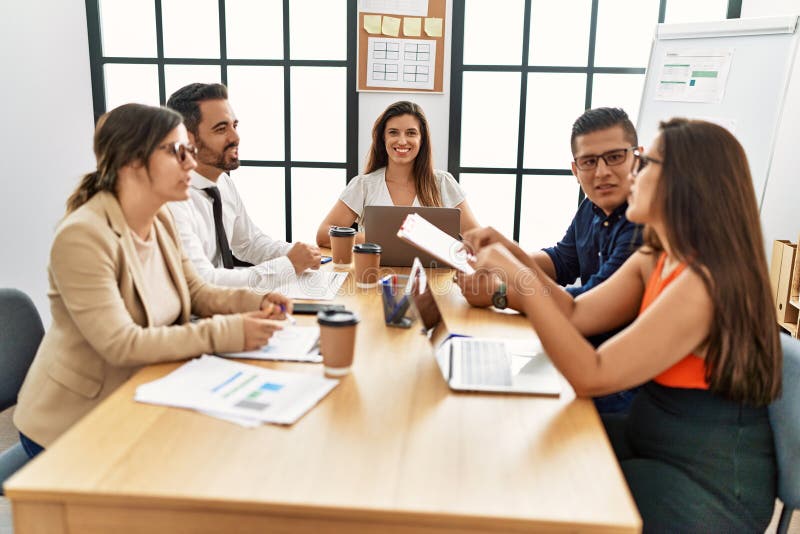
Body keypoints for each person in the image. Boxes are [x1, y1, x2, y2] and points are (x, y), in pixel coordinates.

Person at [465, 118, 781, 532]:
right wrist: (505, 249)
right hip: (651, 441)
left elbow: (591, 376)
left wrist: (519, 281)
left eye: (645, 162)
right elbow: (574, 313)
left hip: (704, 484)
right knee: (517, 452)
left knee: (540, 491)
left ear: (685, 182)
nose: (632, 173)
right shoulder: (656, 258)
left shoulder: (704, 283)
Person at [13, 104, 291, 457]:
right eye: (178, 153)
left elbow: (196, 292)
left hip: (144, 389)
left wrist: (257, 300)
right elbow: (122, 344)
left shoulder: (159, 218)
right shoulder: (82, 237)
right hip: (76, 421)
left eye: (189, 151)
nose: (191, 163)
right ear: (132, 161)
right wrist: (233, 331)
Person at [457, 107, 643, 413]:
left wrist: (500, 292)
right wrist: (501, 251)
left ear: (637, 156)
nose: (602, 172)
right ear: (575, 168)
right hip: (581, 356)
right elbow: (561, 261)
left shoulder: (641, 226)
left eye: (615, 157)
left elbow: (578, 310)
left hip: (615, 380)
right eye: (589, 161)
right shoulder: (592, 204)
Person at [167, 83, 321, 289]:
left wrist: (298, 253)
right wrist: (288, 265)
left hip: (226, 305)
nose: (235, 138)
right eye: (221, 129)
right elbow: (203, 281)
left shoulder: (222, 182)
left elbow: (248, 243)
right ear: (187, 138)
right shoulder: (171, 199)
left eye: (234, 126)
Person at [316, 101, 479, 247]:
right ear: (383, 139)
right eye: (393, 132)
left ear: (422, 140)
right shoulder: (363, 185)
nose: (402, 141)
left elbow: (476, 238)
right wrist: (379, 240)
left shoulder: (443, 182)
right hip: (374, 275)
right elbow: (323, 234)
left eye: (411, 133)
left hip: (432, 276)